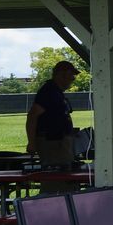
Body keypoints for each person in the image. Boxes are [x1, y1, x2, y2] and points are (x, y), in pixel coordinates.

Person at [26, 60, 80, 192]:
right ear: (61, 75)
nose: (73, 79)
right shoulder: (48, 92)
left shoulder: (55, 92)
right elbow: (32, 116)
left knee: (63, 181)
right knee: (55, 181)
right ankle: (52, 202)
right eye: (71, 75)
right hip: (52, 144)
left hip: (58, 143)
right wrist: (31, 143)